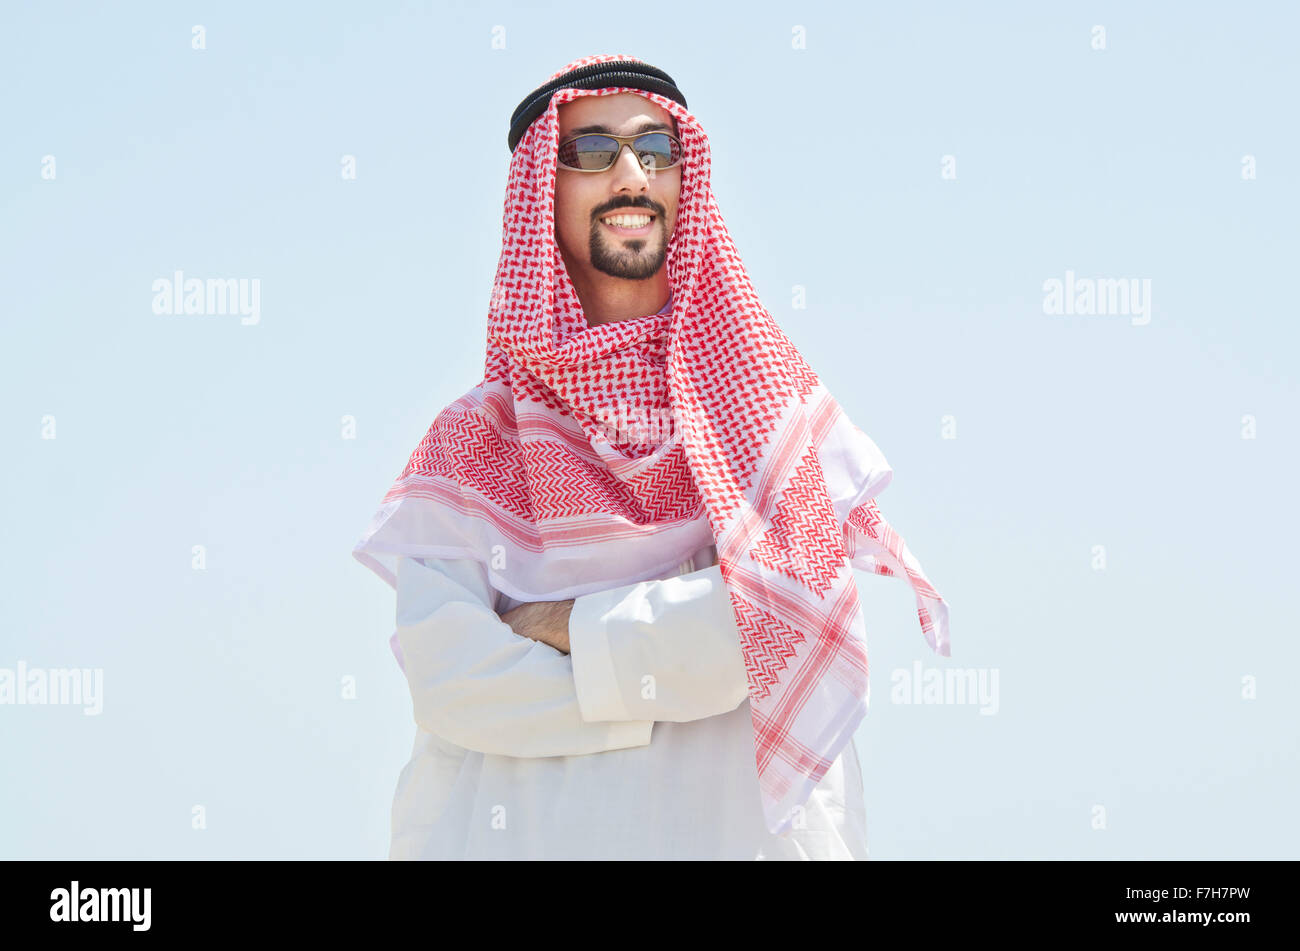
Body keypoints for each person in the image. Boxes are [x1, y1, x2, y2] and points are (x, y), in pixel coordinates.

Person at [352, 54, 951, 860]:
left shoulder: (762, 405)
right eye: (592, 151)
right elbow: (450, 680)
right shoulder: (476, 441)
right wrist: (665, 674)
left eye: (655, 150)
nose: (631, 173)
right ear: (541, 194)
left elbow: (772, 628)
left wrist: (558, 627)